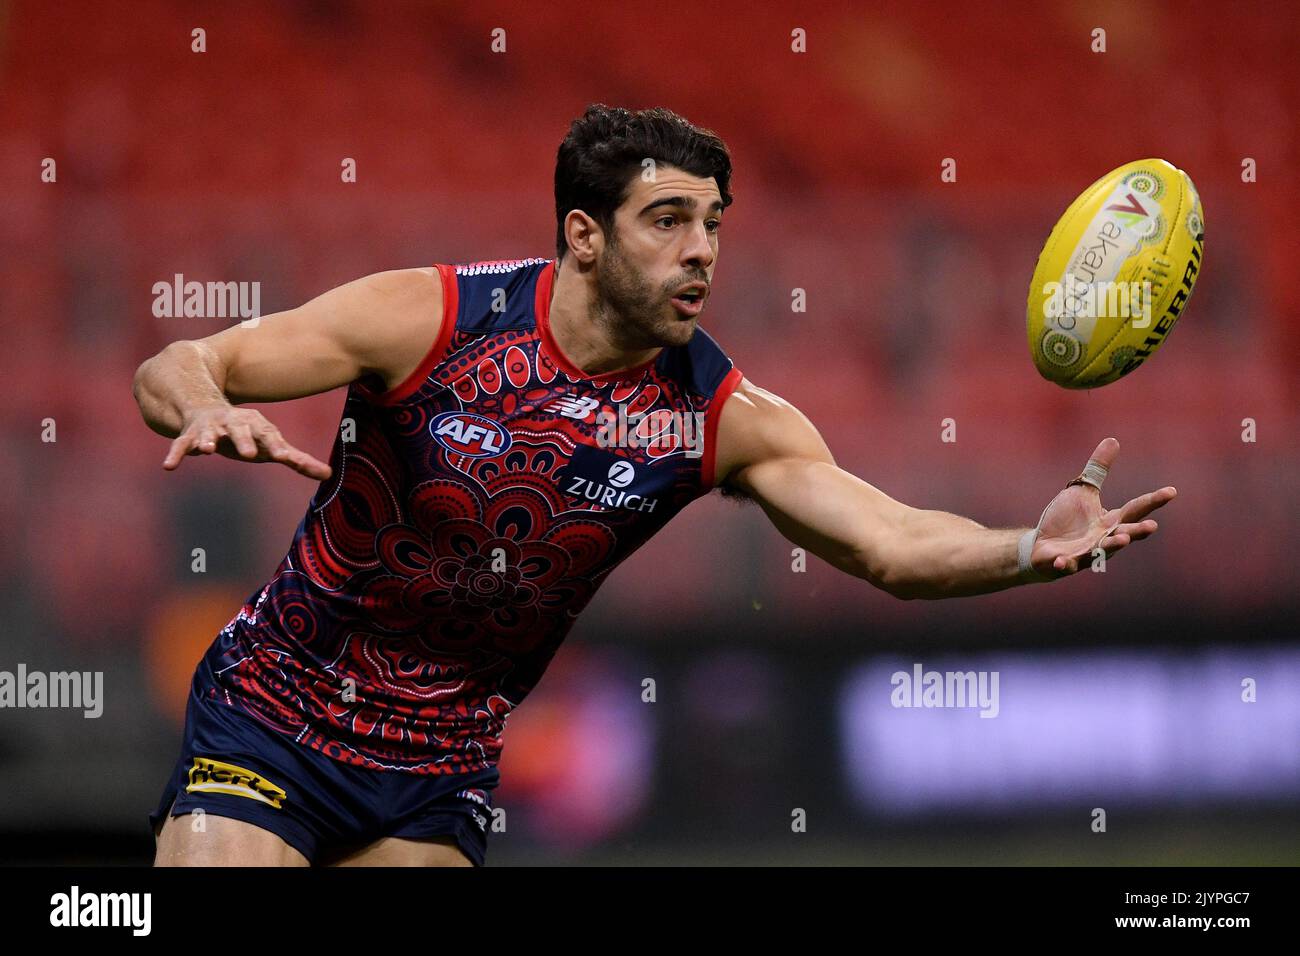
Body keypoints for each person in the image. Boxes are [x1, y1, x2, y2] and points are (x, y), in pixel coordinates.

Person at [133, 104, 1176, 866]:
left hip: (438, 766)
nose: (701, 251)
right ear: (583, 235)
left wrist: (1023, 547)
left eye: (713, 222)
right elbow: (181, 362)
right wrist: (203, 403)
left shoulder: (716, 414)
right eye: (668, 220)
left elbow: (890, 544)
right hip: (271, 710)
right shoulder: (430, 318)